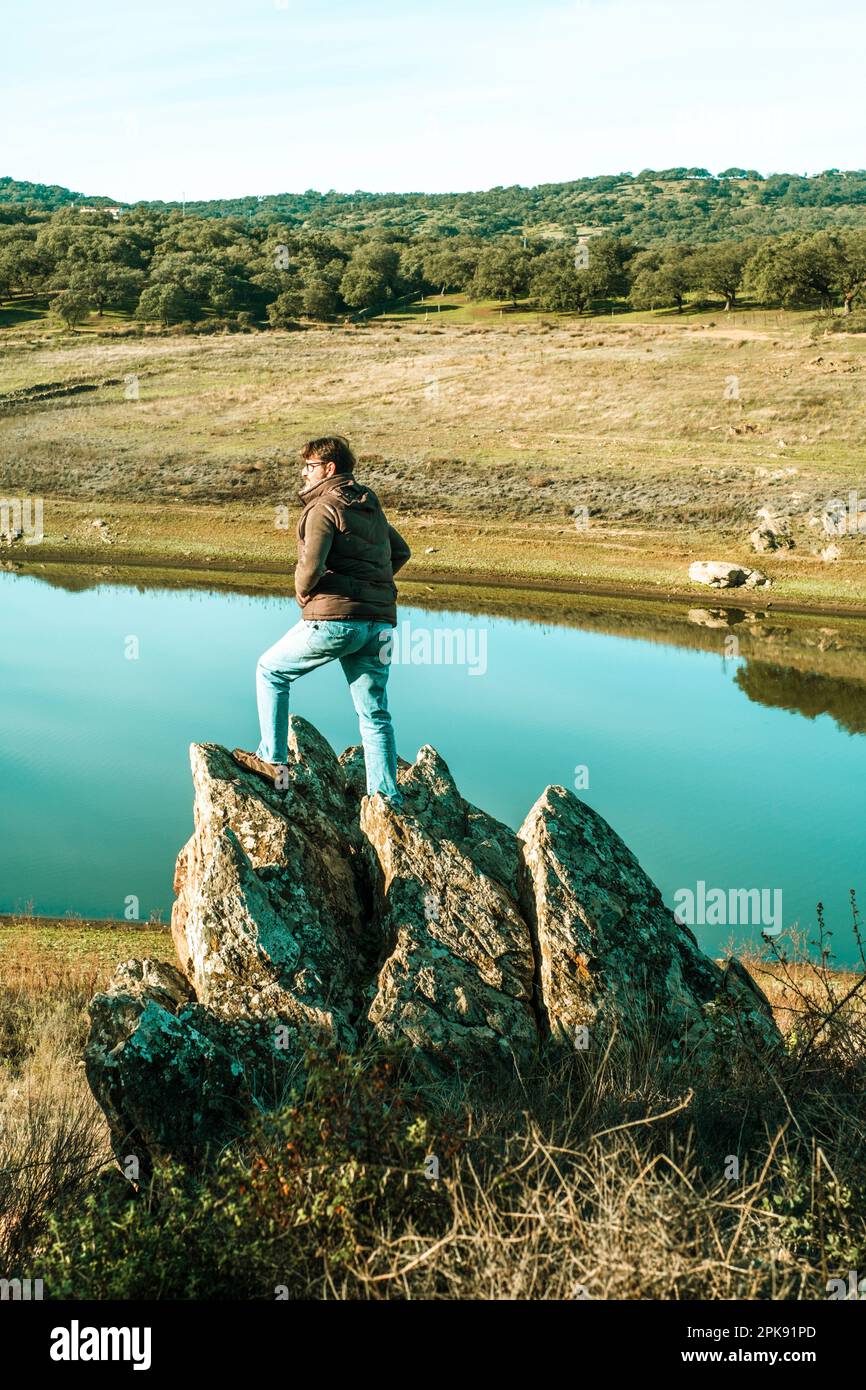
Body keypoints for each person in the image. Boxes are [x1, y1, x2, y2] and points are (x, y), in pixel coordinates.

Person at [232, 435, 410, 804]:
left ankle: (272, 762)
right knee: (375, 713)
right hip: (378, 624)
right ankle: (386, 798)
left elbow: (310, 565)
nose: (304, 472)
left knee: (270, 671)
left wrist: (303, 590)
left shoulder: (323, 507)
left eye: (310, 466)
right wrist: (371, 585)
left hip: (335, 620)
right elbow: (401, 551)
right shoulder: (369, 507)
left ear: (329, 468)